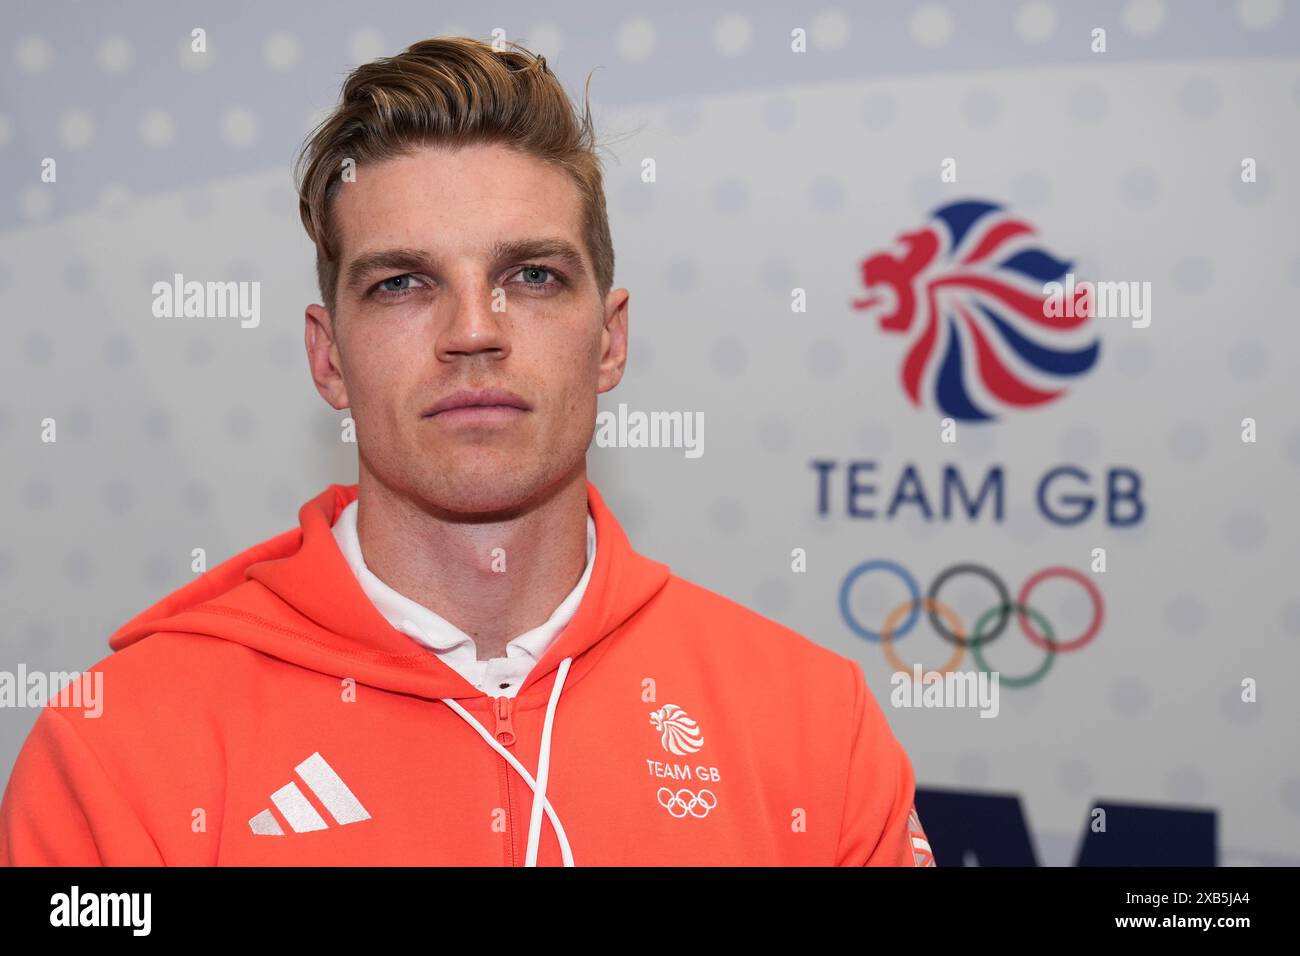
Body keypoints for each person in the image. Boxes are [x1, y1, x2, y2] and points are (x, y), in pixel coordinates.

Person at [0, 36, 933, 867]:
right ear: (330, 359)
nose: (474, 332)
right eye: (404, 283)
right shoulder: (121, 746)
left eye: (531, 276)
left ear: (608, 340)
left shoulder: (813, 727)